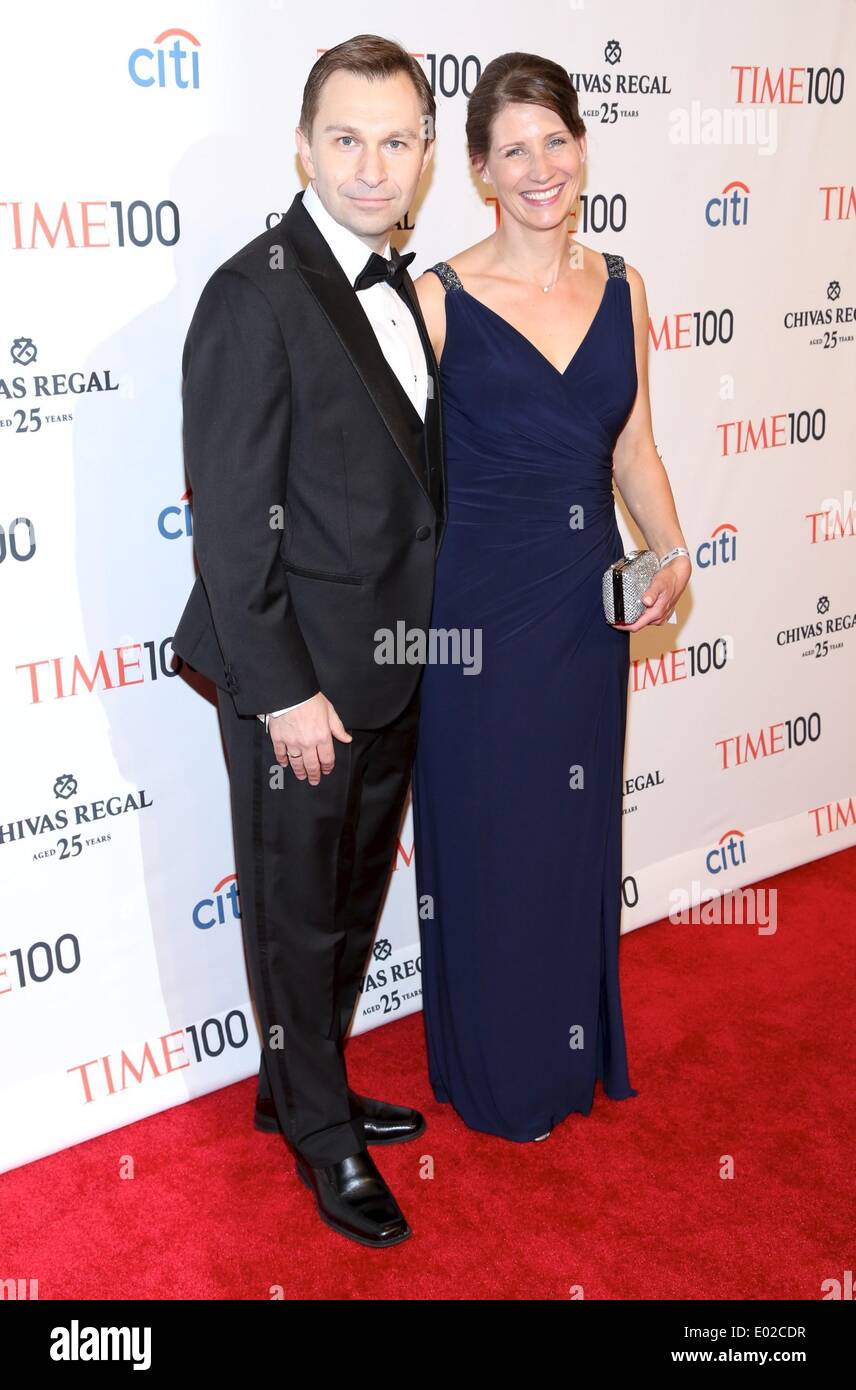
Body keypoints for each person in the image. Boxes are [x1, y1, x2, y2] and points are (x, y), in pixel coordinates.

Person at [171, 34, 446, 1248]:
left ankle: (306, 1089)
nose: (370, 164)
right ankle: (318, 1139)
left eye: (395, 141)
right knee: (293, 911)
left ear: (427, 157)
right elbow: (232, 527)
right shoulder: (254, 292)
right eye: (347, 138)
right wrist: (283, 694)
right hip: (299, 681)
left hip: (394, 664)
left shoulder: (400, 288)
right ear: (302, 147)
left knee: (346, 899)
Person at [411, 52, 691, 1143]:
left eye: (555, 141)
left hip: (585, 615)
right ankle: (497, 1069)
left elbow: (634, 447)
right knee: (489, 835)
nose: (539, 168)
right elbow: (393, 482)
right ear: (479, 170)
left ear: (583, 148)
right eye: (512, 150)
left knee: (567, 834)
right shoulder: (436, 301)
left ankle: (566, 1048)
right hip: (475, 618)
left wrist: (669, 549)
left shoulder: (624, 286)